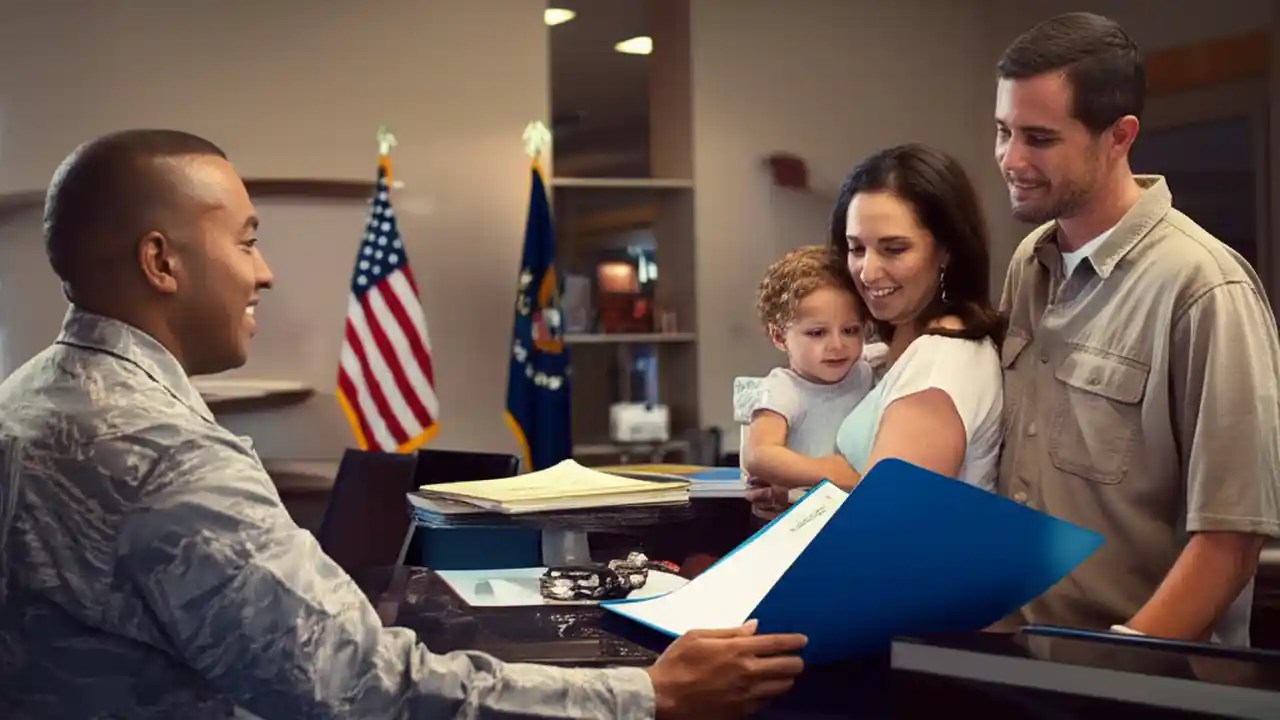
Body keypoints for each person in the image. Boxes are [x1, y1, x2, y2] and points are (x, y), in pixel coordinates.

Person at [0, 129, 807, 719]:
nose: (265, 271)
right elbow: (356, 686)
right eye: (247, 241)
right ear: (162, 262)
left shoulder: (30, 396)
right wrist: (648, 695)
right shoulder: (167, 456)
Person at [994, 12, 1280, 646]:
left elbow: (1231, 538)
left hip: (1136, 684)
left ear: (1119, 137)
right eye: (1003, 130)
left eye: (1039, 138)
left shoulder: (1205, 287)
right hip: (1014, 664)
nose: (1011, 159)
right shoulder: (1029, 264)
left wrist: (1115, 670)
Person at [747, 143, 1004, 517]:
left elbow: (890, 527)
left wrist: (827, 485)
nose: (867, 272)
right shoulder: (888, 349)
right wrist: (792, 497)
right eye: (856, 249)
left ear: (947, 250)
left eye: (894, 249)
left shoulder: (941, 364)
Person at [741, 244, 883, 506]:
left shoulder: (864, 368)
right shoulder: (783, 389)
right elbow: (758, 453)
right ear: (779, 336)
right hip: (801, 517)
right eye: (817, 333)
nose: (837, 345)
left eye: (850, 330)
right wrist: (828, 472)